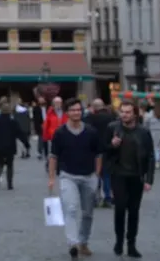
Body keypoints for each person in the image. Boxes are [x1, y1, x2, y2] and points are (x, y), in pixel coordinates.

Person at [48, 98, 101, 259]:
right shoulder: (60, 133)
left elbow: (99, 154)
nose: (76, 112)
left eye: (78, 109)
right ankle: (73, 243)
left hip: (88, 175)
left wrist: (97, 175)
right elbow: (53, 156)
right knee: (70, 209)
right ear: (67, 113)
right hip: (67, 176)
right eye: (73, 110)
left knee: (88, 213)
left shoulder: (91, 132)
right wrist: (51, 178)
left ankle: (83, 242)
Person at [103, 100, 155, 258]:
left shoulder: (143, 132)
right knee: (119, 209)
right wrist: (112, 145)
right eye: (122, 112)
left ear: (135, 114)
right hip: (118, 175)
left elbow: (151, 156)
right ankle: (119, 241)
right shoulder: (112, 128)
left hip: (136, 176)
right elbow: (103, 150)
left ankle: (131, 244)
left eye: (128, 112)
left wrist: (149, 179)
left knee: (133, 212)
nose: (124, 115)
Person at [0, 100, 28, 189]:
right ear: (9, 111)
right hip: (10, 146)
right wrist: (26, 143)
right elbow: (20, 133)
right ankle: (10, 184)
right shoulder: (13, 122)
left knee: (0, 164)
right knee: (10, 165)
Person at [85, 99, 116, 206]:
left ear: (93, 107)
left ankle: (95, 197)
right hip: (108, 149)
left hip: (94, 149)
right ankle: (108, 197)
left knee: (95, 174)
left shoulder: (90, 118)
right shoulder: (111, 117)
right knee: (107, 175)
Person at [42, 96, 65, 168]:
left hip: (63, 135)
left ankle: (61, 164)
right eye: (56, 103)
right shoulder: (50, 112)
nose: (58, 104)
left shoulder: (65, 112)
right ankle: (50, 164)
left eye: (59, 102)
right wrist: (45, 137)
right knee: (52, 152)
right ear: (53, 104)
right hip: (52, 136)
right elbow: (46, 125)